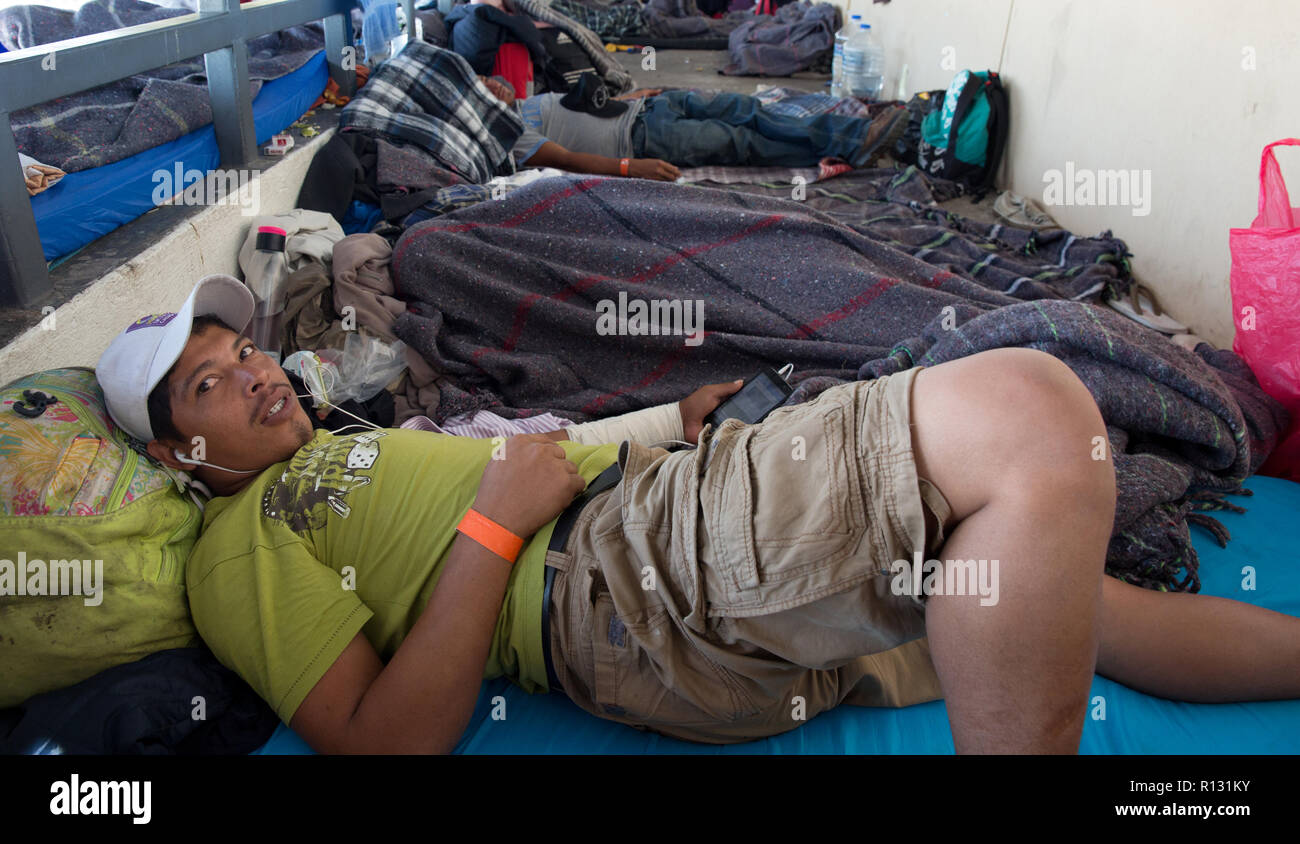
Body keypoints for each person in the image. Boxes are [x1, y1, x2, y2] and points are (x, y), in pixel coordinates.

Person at [94, 276, 1300, 754]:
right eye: (207, 386)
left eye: (244, 352)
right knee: (1033, 406)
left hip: (650, 529)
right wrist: (494, 527)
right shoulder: (236, 546)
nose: (252, 375)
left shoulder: (342, 446)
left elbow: (538, 460)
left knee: (1053, 597)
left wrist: (665, 420)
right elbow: (379, 738)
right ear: (169, 452)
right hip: (617, 582)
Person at [499, 73, 911, 180]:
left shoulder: (526, 101)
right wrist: (630, 167)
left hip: (649, 108)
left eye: (485, 79)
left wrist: (633, 96)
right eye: (482, 85)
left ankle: (851, 136)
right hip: (642, 140)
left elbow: (580, 111)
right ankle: (857, 142)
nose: (491, 84)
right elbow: (568, 160)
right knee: (740, 142)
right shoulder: (508, 133)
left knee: (748, 108)